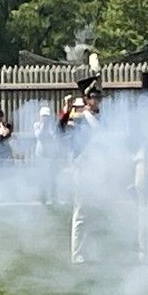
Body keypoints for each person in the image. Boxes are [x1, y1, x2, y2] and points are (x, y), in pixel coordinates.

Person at [68, 78, 102, 264]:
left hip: (97, 168)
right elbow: (67, 136)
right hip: (82, 166)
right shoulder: (80, 118)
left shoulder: (100, 118)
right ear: (86, 99)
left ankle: (90, 250)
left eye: (97, 97)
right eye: (92, 97)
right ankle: (77, 254)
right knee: (80, 213)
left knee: (94, 212)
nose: (96, 101)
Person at [33, 105, 60, 204]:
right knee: (41, 177)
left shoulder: (53, 126)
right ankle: (42, 198)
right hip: (40, 155)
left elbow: (55, 138)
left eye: (47, 116)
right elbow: (39, 136)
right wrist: (44, 126)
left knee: (53, 177)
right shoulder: (36, 125)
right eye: (43, 116)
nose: (45, 118)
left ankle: (54, 197)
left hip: (51, 155)